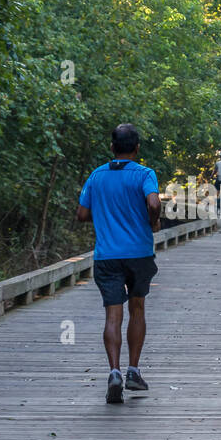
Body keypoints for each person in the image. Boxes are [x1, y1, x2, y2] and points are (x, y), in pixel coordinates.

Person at [76, 124, 162, 403]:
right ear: (137, 149)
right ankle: (133, 371)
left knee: (113, 315)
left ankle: (113, 371)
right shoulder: (145, 174)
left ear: (112, 148)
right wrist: (152, 222)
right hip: (138, 253)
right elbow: (153, 204)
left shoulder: (96, 176)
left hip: (107, 255)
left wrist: (105, 214)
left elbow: (81, 214)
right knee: (137, 308)